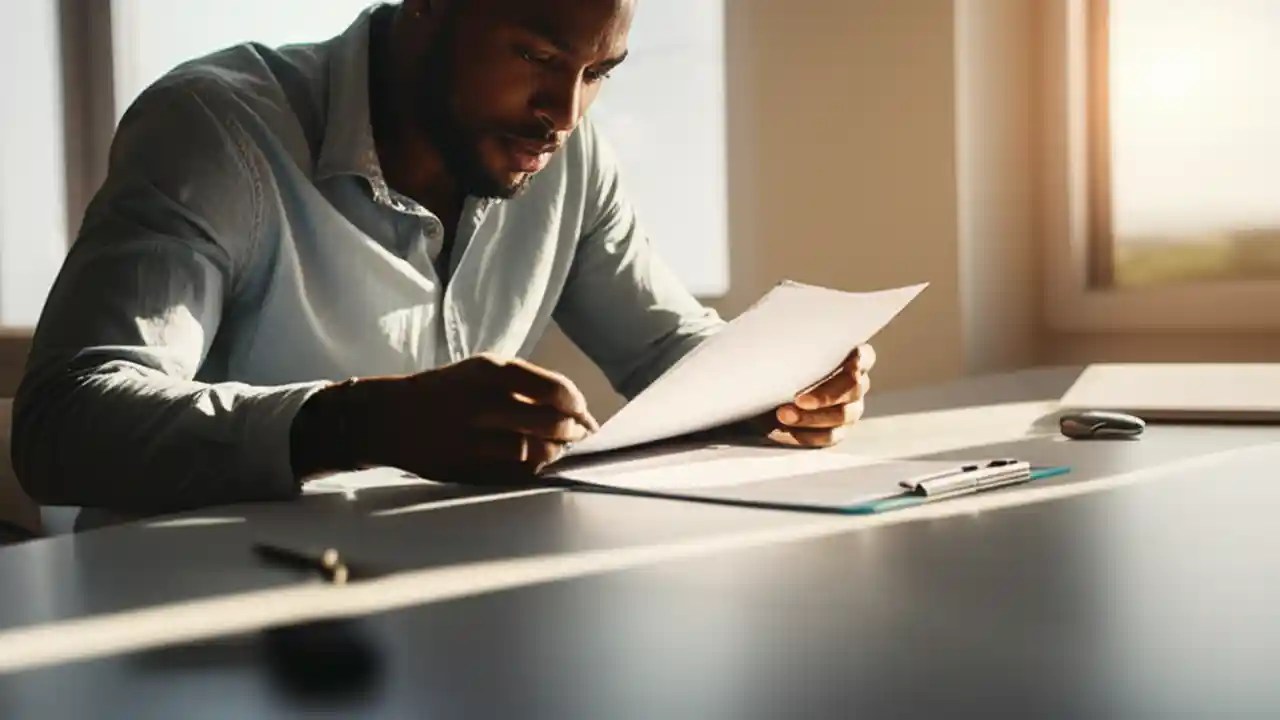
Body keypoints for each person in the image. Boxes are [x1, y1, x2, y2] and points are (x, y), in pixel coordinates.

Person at [13, 0, 875, 513]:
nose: (564, 113)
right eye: (536, 55)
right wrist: (360, 422)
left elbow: (667, 352)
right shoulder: (217, 129)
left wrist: (774, 389)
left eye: (598, 71)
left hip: (450, 606)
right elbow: (65, 425)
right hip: (196, 628)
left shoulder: (566, 159)